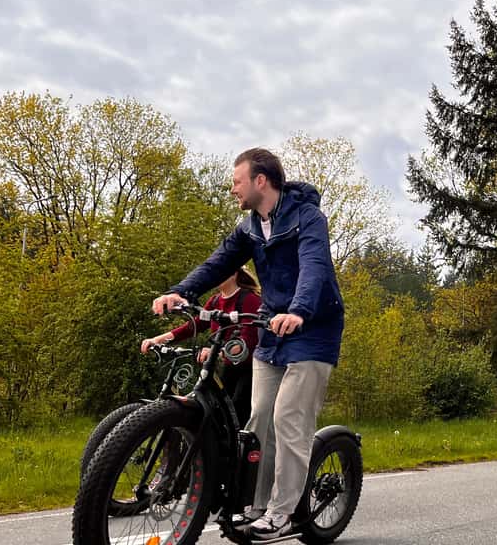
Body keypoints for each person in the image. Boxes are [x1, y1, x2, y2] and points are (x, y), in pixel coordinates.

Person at [152, 148, 345, 539]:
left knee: (289, 419)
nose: (232, 188)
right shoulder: (251, 227)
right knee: (258, 421)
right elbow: (218, 263)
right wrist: (180, 292)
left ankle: (283, 513)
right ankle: (258, 507)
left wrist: (300, 311)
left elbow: (314, 267)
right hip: (272, 328)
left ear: (260, 181)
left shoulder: (308, 218)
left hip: (312, 328)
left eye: (237, 181)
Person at [142, 267, 262, 423]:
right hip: (230, 366)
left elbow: (249, 339)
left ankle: (248, 446)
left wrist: (215, 350)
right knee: (217, 411)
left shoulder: (249, 299)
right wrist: (158, 339)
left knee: (238, 411)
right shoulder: (215, 301)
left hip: (252, 367)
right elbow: (194, 325)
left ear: (234, 273)